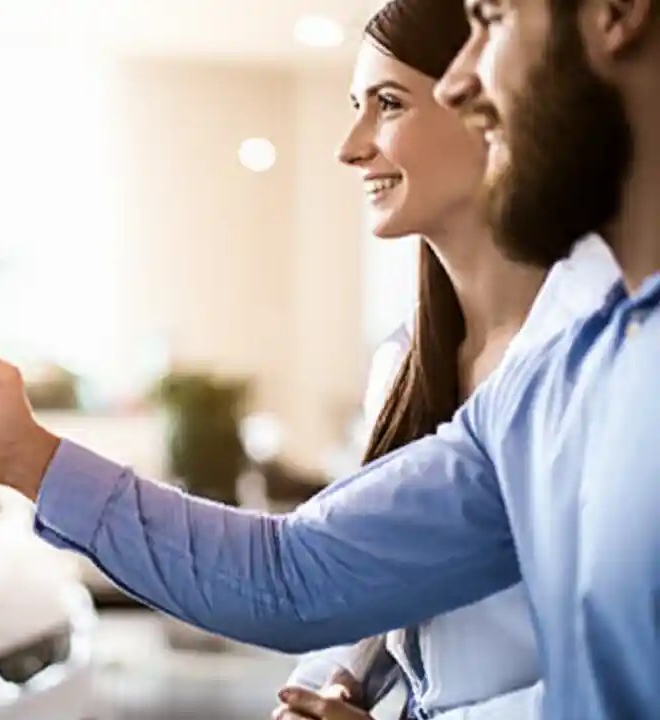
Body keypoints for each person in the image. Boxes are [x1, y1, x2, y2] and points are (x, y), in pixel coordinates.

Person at [0, 0, 660, 716]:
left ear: (620, 12)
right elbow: (298, 575)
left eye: (492, 17)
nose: (466, 83)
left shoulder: (576, 358)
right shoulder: (554, 382)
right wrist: (27, 457)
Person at [273, 1, 619, 719]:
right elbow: (375, 577)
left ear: (483, 97)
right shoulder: (400, 363)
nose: (350, 147)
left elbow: (629, 668)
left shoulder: (596, 353)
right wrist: (329, 685)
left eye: (388, 104)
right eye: (356, 107)